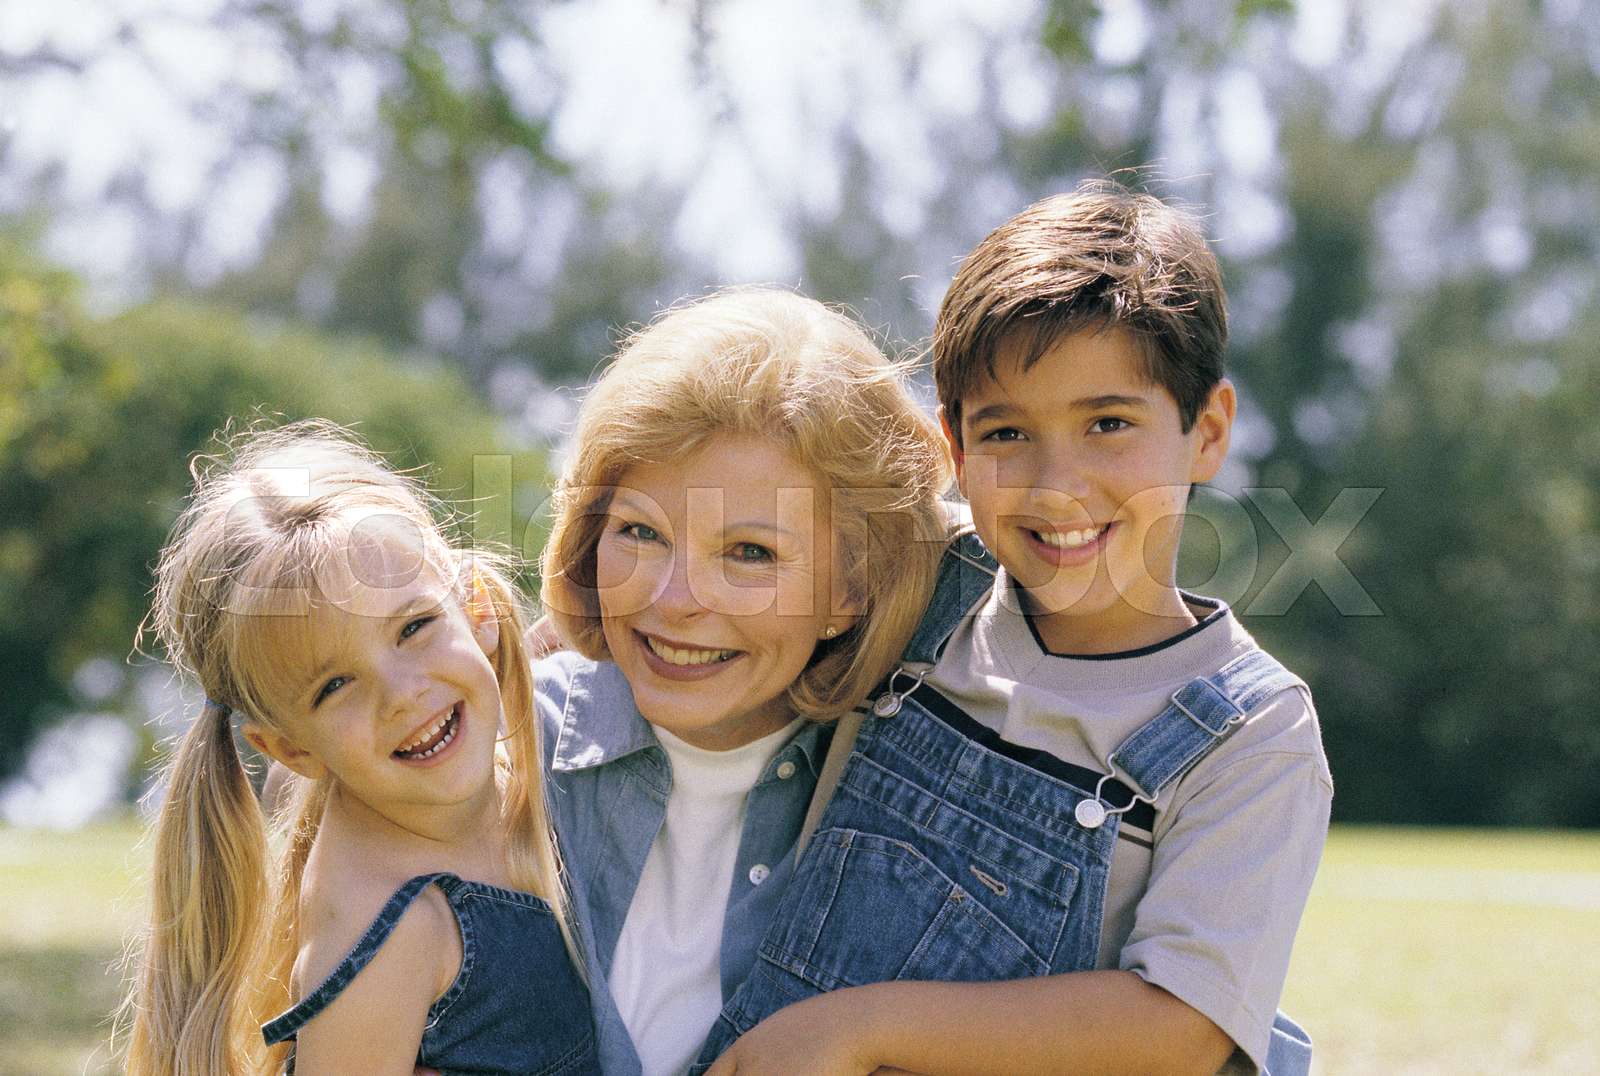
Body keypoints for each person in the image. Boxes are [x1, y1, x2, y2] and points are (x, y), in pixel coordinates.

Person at [699, 183, 1332, 1075]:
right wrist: (570, 637)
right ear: (955, 449)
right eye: (1006, 434)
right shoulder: (920, 580)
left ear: (1208, 431)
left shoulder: (1251, 734)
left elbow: (1183, 1028)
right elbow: (730, 597)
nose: (1056, 484)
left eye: (1108, 423)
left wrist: (859, 1028)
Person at [534, 288, 952, 1075]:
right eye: (640, 532)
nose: (674, 601)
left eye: (749, 553)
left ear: (851, 590)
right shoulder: (500, 749)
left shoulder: (906, 815)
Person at [124, 421, 598, 1075]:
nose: (402, 694)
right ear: (291, 749)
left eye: (414, 626)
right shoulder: (390, 932)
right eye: (336, 685)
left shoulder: (530, 753)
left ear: (476, 609)